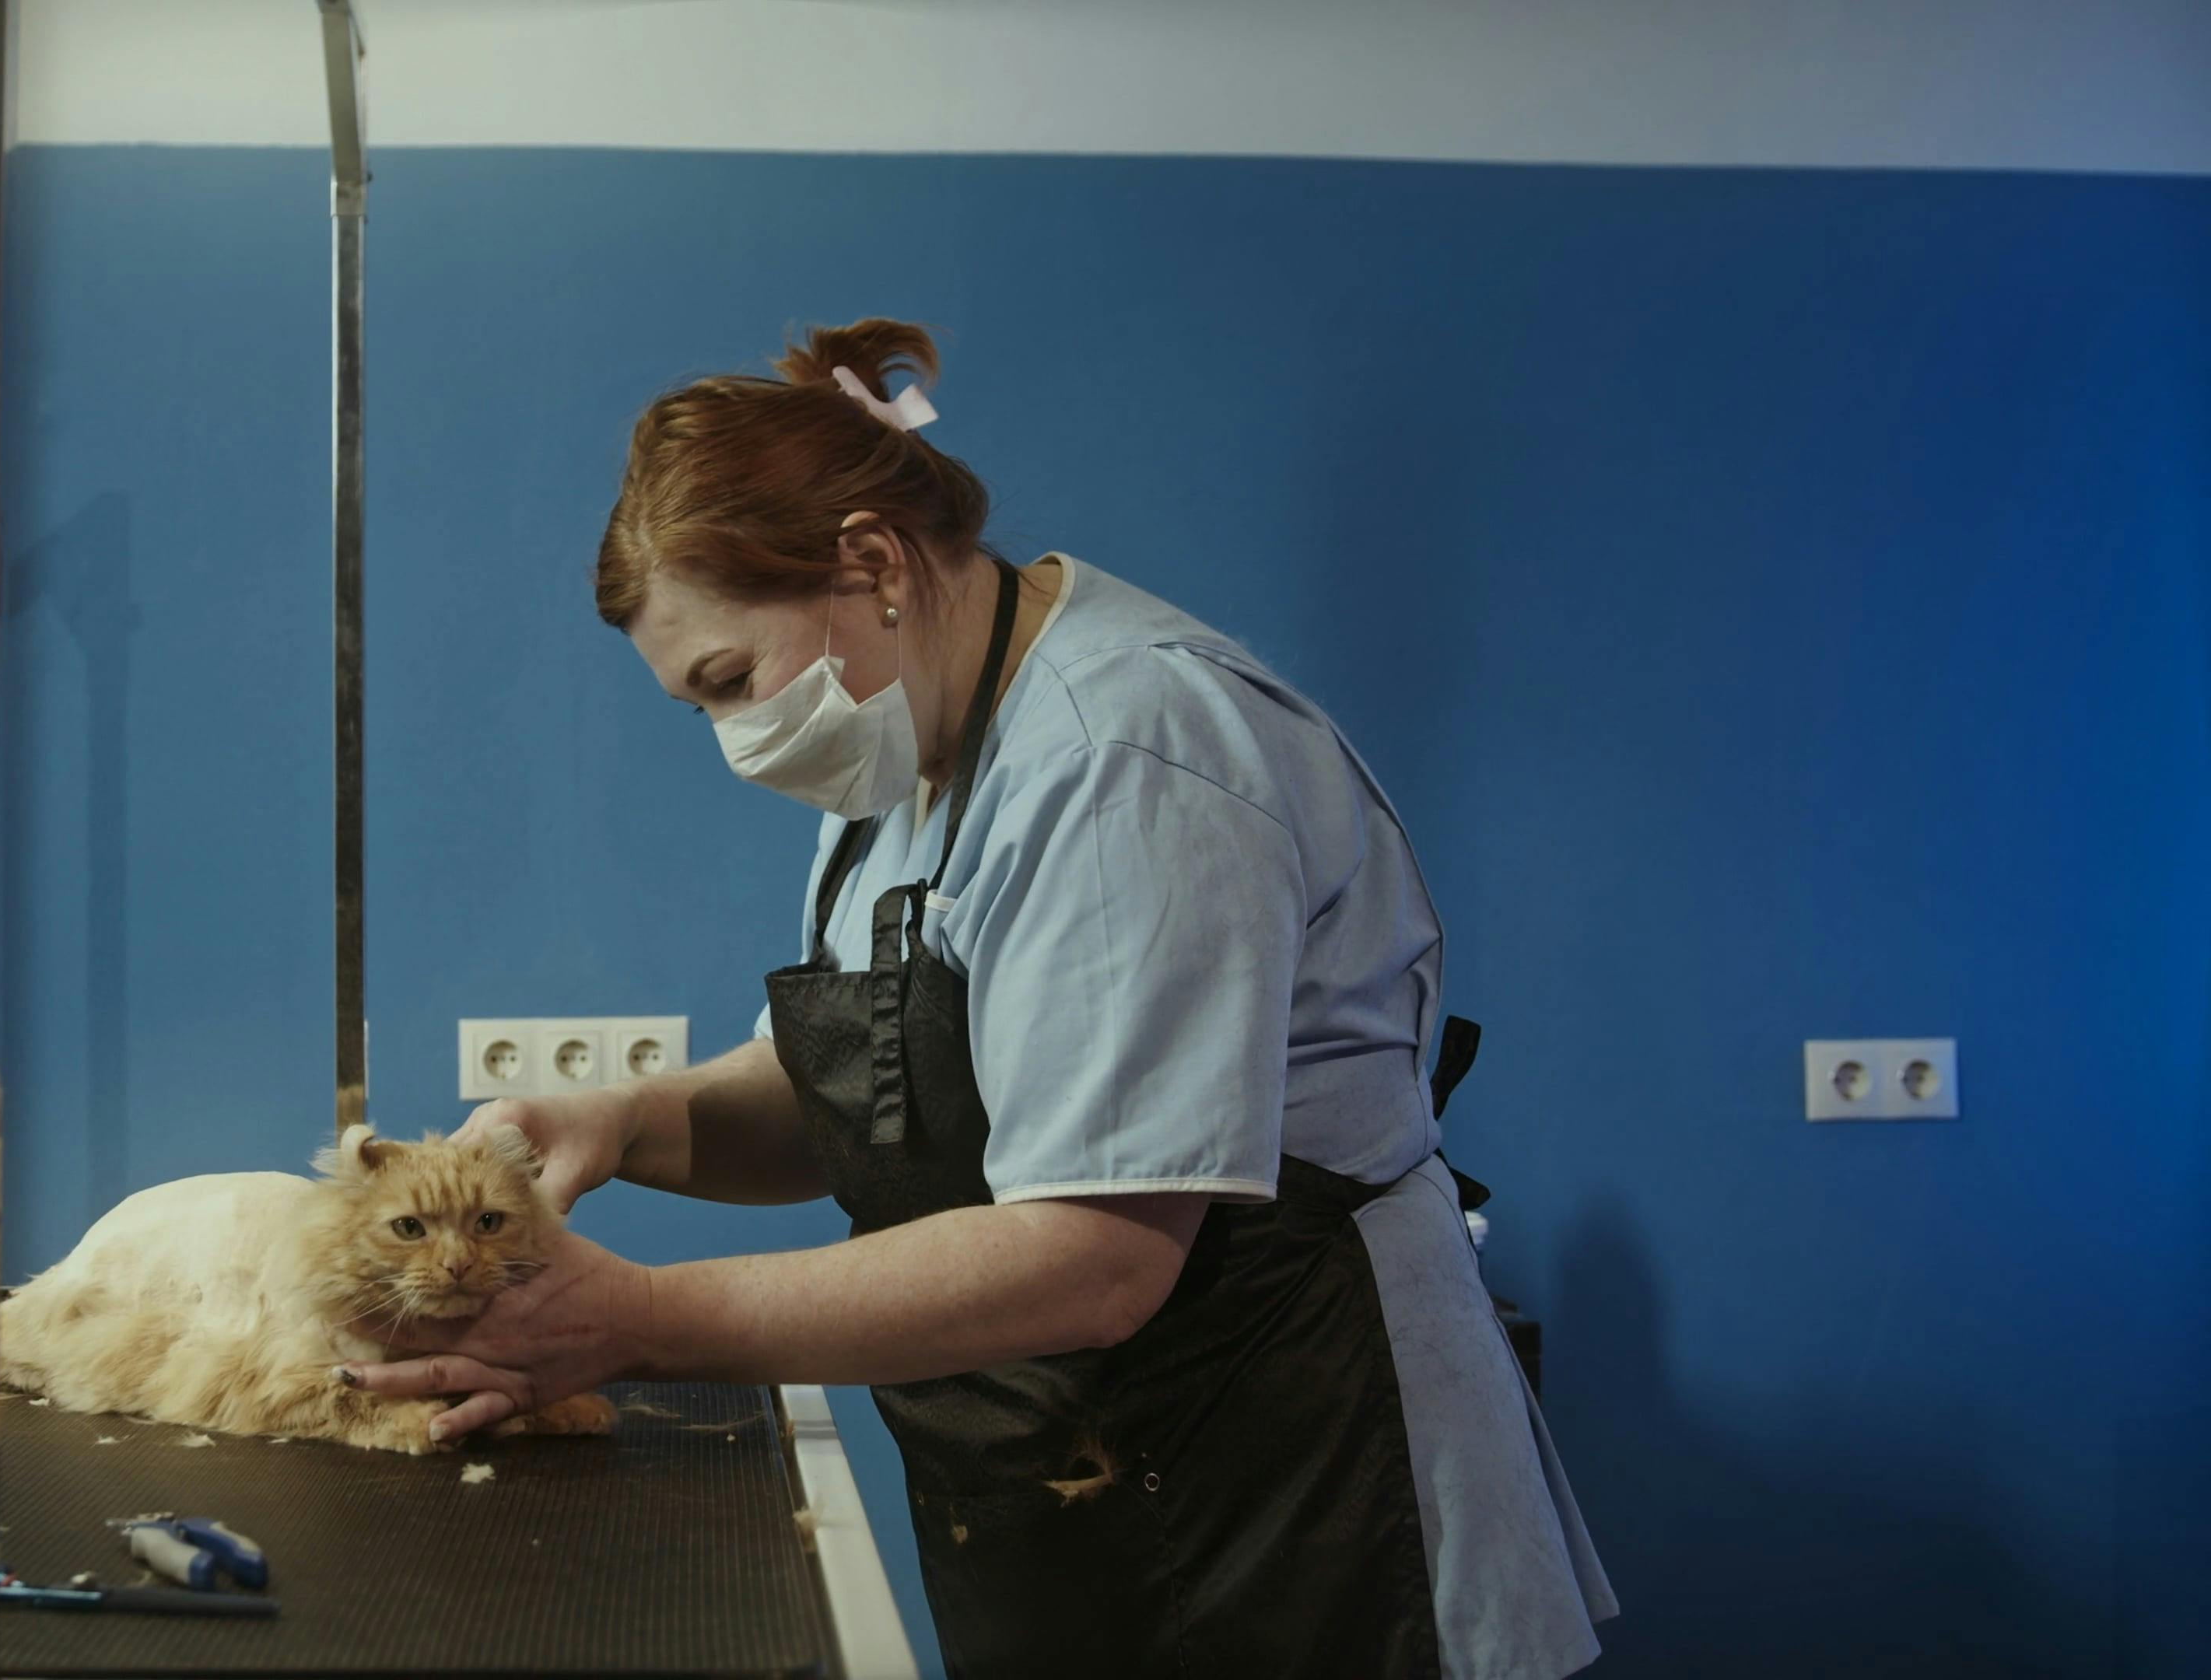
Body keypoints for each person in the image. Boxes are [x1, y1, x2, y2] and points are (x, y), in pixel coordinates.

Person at [337, 319, 1617, 1678]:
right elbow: (874, 1086)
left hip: (1297, 1491)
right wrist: (628, 1119)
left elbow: (1095, 1250)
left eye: (730, 680)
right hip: (1082, 1475)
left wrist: (641, 1321)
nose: (734, 741)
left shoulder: (1126, 757)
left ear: (872, 563)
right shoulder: (904, 752)